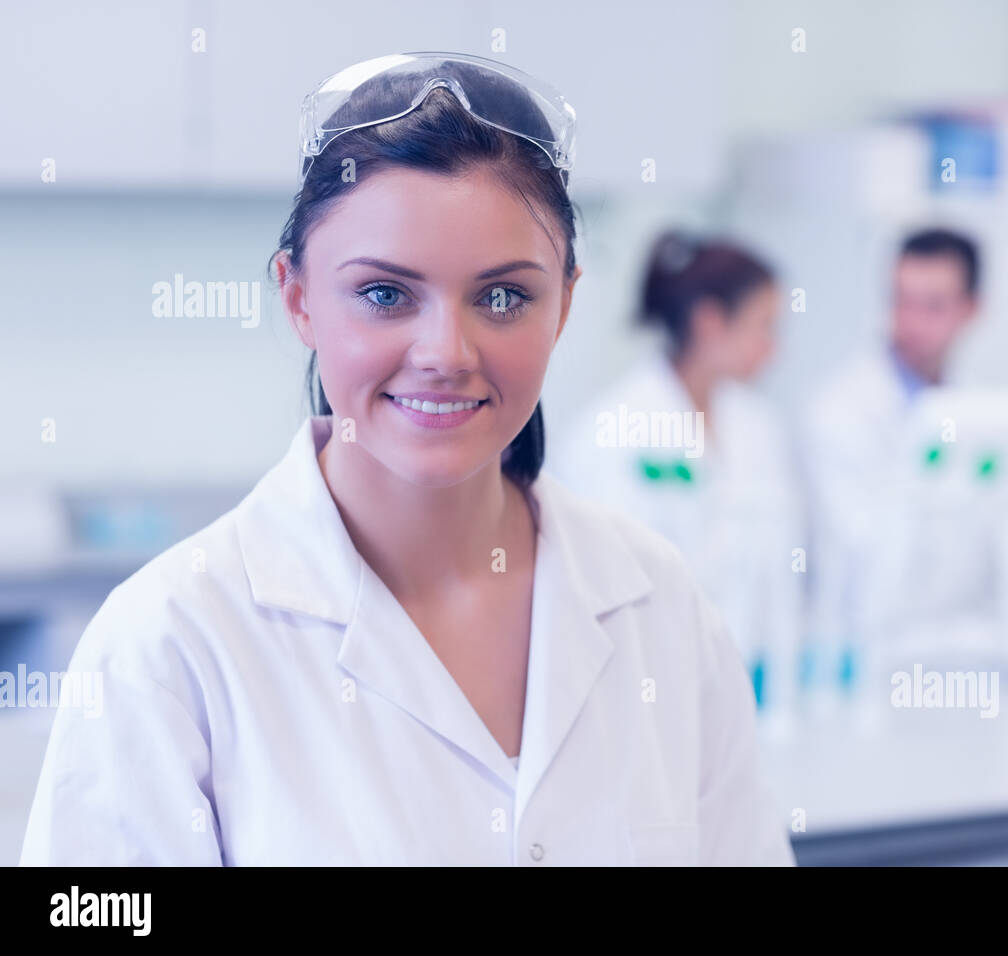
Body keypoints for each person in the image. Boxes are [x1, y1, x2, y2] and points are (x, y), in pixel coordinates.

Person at [20, 53, 794, 867]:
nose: (445, 353)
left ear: (563, 304)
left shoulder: (657, 605)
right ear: (299, 300)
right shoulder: (170, 643)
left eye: (502, 297)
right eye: (386, 294)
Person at [551, 231, 805, 723]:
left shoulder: (760, 426)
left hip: (751, 694)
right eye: (763, 326)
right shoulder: (610, 432)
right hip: (640, 701)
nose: (772, 349)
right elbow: (605, 593)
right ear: (710, 323)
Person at [803, 227, 982, 648]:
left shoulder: (969, 410)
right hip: (865, 649)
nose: (911, 322)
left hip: (953, 646)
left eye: (933, 306)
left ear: (972, 309)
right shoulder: (840, 411)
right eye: (901, 301)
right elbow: (864, 564)